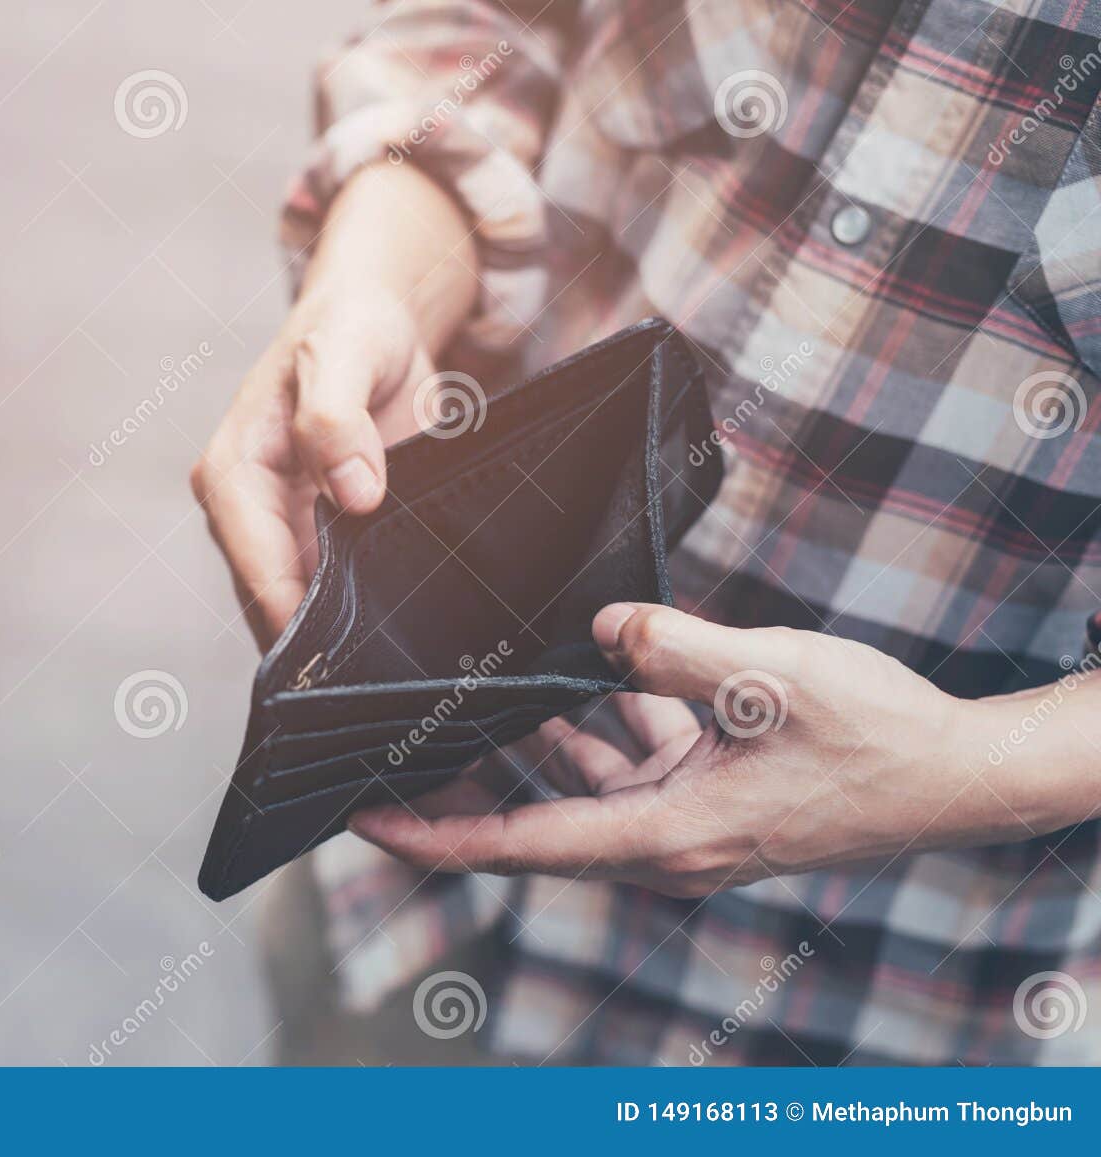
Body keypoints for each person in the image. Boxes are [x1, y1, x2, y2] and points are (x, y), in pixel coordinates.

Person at [192, 0, 1101, 1064]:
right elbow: (501, 27)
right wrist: (380, 269)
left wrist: (976, 766)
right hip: (424, 894)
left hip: (904, 1004)